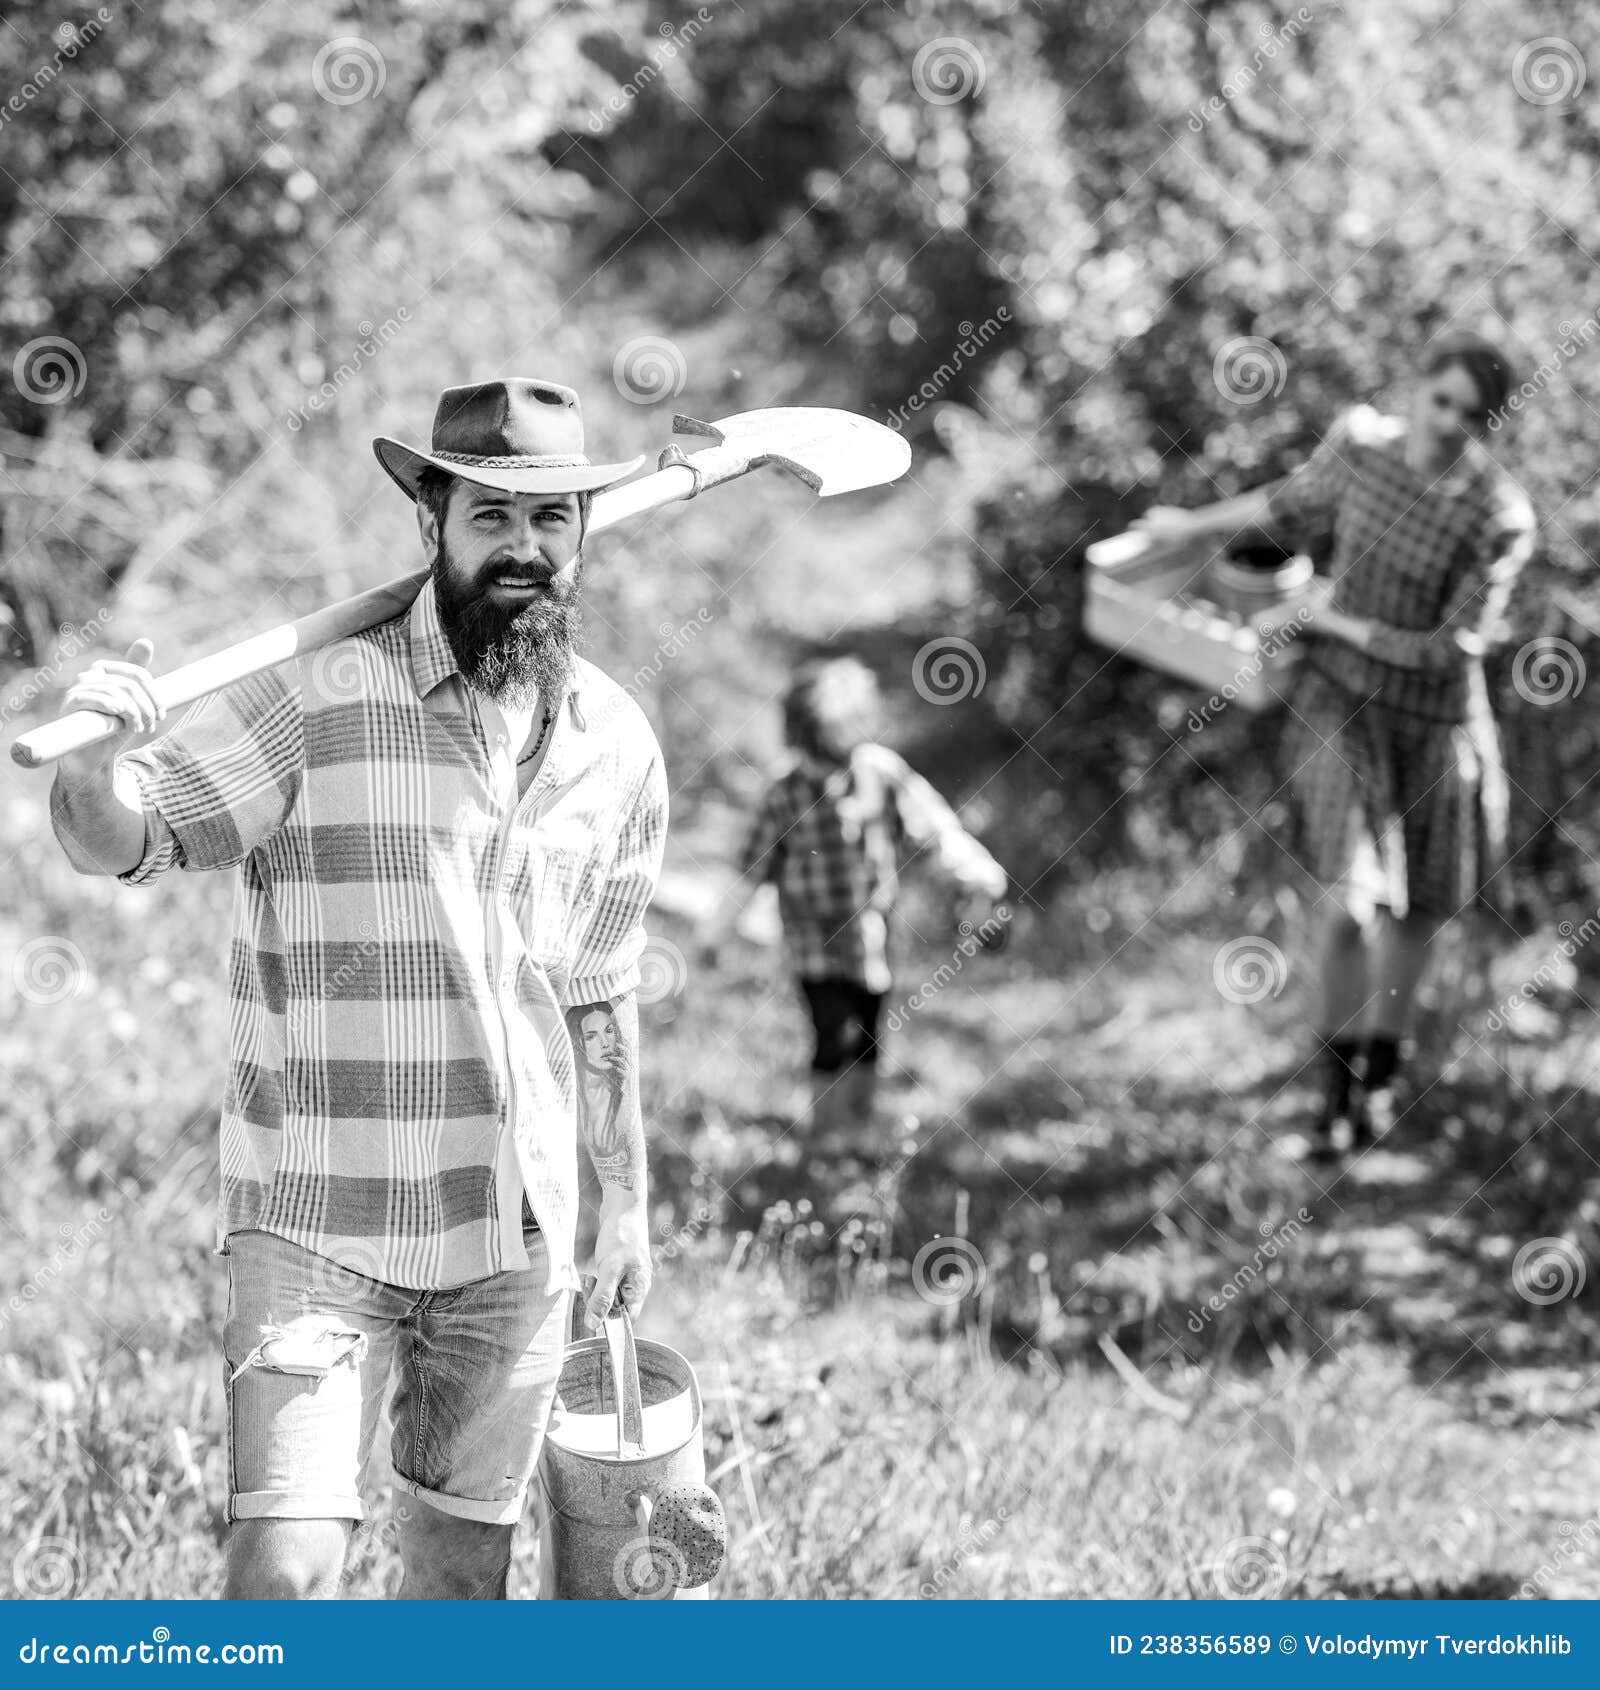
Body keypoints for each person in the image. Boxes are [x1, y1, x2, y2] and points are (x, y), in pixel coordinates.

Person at [47, 378, 668, 1598]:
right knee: (283, 1576)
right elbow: (126, 837)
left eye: (551, 521)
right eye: (491, 517)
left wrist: (626, 1198)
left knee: (458, 1581)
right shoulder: (317, 697)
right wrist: (100, 760)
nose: (524, 548)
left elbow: (600, 993)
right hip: (317, 1216)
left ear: (586, 532)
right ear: (429, 519)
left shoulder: (616, 742)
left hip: (514, 1226)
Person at [1136, 330, 1536, 1158]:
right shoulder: (1362, 450)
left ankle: (1379, 1079)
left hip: (1433, 726)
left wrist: (1329, 617)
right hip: (1340, 705)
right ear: (1416, 384)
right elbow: (1282, 506)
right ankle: (1331, 1103)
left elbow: (1448, 647)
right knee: (1350, 909)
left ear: (1491, 425)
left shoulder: (1497, 516)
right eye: (1442, 399)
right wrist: (1184, 526)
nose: (1451, 421)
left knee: (1416, 914)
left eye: (1473, 414)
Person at [700, 657, 1008, 1151]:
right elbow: (750, 869)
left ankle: (859, 1125)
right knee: (832, 1030)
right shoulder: (785, 792)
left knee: (869, 1031)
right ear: (802, 734)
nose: (830, 762)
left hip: (871, 934)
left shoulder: (881, 774)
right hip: (811, 940)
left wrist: (977, 873)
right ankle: (826, 1135)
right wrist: (716, 932)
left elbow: (935, 830)